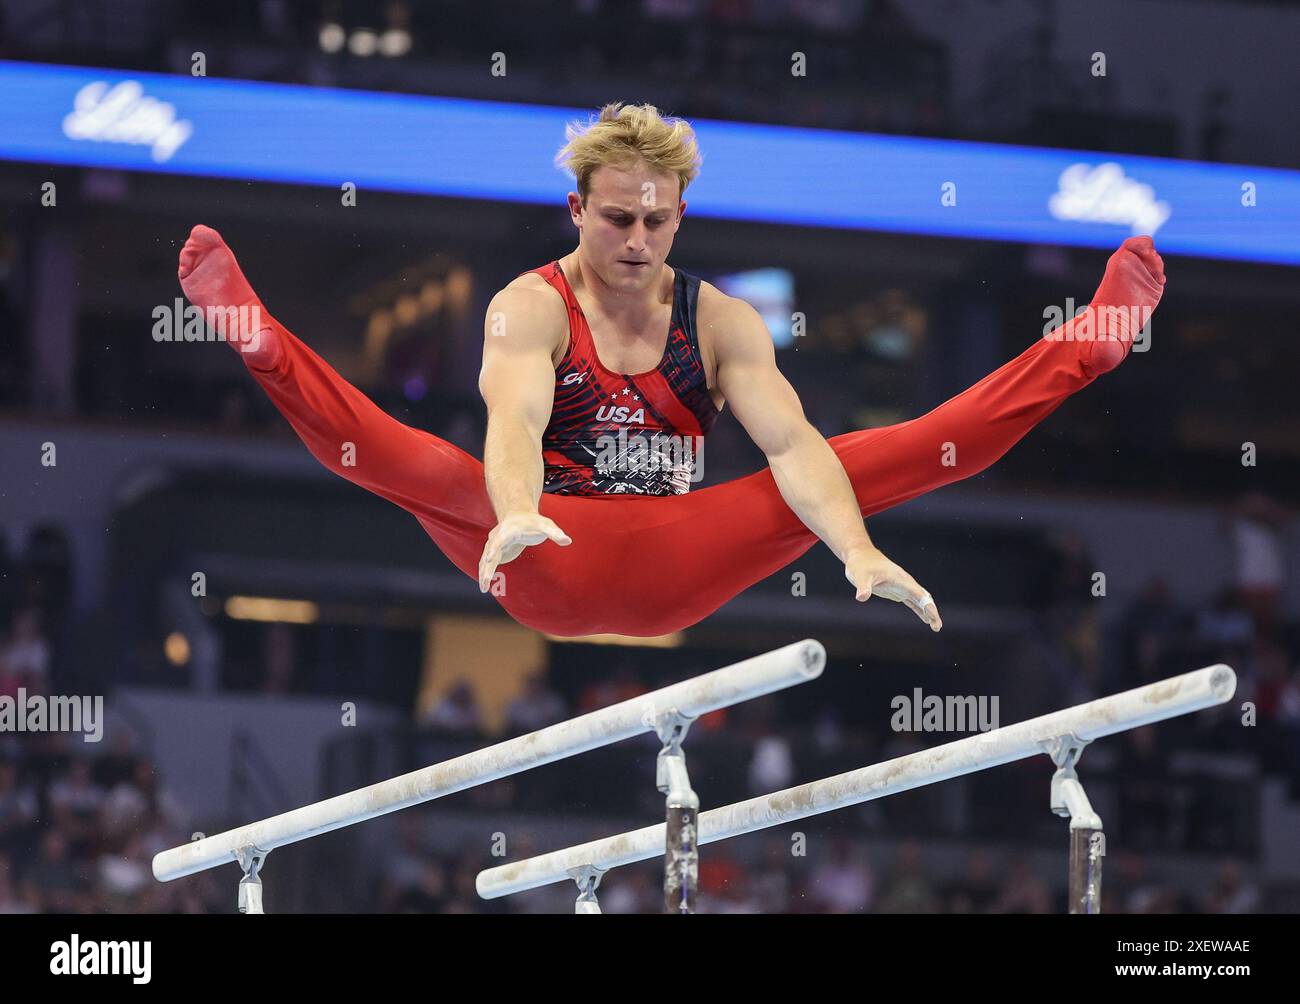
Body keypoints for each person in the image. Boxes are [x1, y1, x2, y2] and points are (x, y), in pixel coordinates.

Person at [175, 103, 1165, 638]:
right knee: (414, 463)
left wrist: (855, 551)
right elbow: (512, 425)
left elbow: (791, 442)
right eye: (617, 217)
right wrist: (514, 510)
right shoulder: (528, 305)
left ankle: (1090, 340)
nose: (637, 238)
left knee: (878, 454)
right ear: (575, 211)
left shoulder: (720, 319)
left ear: (680, 217)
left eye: (656, 219)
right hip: (533, 546)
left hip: (677, 554)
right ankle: (261, 337)